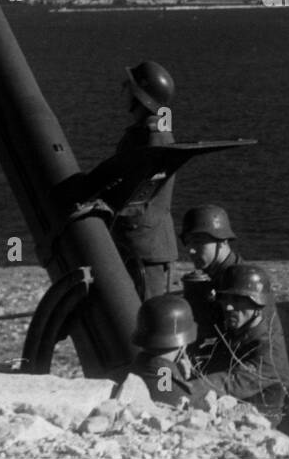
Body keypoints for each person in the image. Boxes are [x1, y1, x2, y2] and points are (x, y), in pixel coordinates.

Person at [83, 60, 179, 299]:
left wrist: (107, 206)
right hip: (138, 245)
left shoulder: (154, 138)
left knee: (147, 320)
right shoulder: (143, 135)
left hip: (146, 249)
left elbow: (144, 192)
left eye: (128, 85)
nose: (123, 89)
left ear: (140, 95)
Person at [188, 264, 289, 417]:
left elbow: (228, 383)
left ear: (258, 304)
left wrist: (180, 388)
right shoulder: (239, 328)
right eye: (225, 298)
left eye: (237, 300)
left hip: (258, 424)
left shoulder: (270, 353)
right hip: (228, 411)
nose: (228, 307)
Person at [178, 204, 244, 341]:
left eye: (198, 243)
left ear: (223, 242)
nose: (191, 250)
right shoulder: (218, 273)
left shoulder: (239, 280)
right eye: (188, 243)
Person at [130, 294, 204, 408]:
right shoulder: (169, 386)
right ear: (183, 346)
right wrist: (183, 382)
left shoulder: (134, 370)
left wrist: (176, 374)